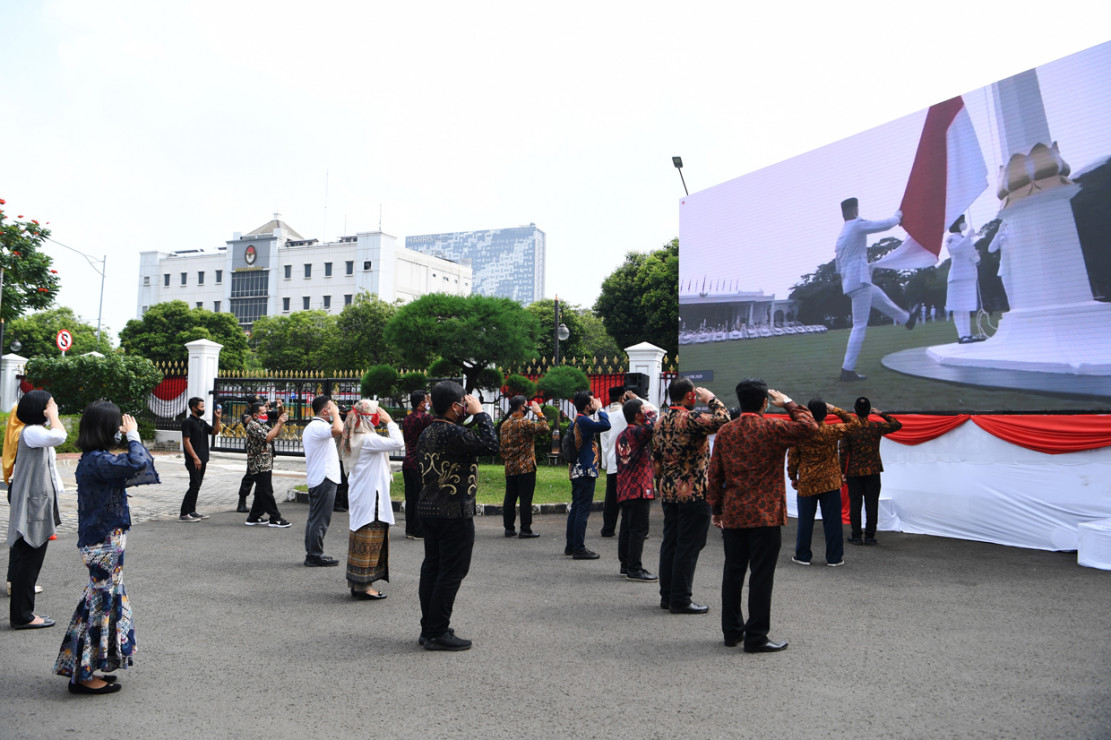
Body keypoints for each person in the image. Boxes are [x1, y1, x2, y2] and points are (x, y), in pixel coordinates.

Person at [54, 401, 159, 695]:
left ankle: (86, 668)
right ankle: (83, 675)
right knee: (98, 606)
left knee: (99, 603)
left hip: (101, 540)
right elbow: (139, 462)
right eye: (116, 425)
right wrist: (134, 435)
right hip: (102, 542)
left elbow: (136, 466)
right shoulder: (98, 461)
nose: (119, 430)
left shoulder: (95, 458)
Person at [707, 379, 817, 653]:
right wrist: (789, 403)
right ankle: (756, 635)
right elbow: (809, 427)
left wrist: (717, 509)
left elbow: (715, 474)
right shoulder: (772, 427)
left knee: (733, 573)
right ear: (764, 403)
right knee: (761, 575)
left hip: (734, 512)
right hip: (765, 514)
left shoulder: (726, 432)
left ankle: (732, 631)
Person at [416, 382, 498, 651]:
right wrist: (481, 413)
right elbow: (490, 444)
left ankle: (430, 627)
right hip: (454, 511)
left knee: (433, 568)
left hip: (429, 508)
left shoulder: (429, 430)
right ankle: (437, 631)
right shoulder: (452, 432)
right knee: (451, 572)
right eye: (464, 403)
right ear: (454, 406)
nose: (467, 406)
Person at [651, 378, 729, 614]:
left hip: (669, 489)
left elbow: (656, 462)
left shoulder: (660, 421)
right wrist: (711, 399)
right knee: (689, 545)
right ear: (690, 396)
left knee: (671, 542)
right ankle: (681, 598)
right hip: (694, 491)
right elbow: (724, 420)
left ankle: (667, 595)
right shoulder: (692, 420)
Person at [835, 197, 919, 381]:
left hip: (853, 282)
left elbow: (838, 266)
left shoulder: (841, 235)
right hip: (860, 282)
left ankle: (907, 319)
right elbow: (884, 225)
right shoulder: (857, 224)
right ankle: (847, 370)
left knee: (881, 298)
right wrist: (898, 216)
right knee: (859, 326)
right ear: (854, 210)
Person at [7, 391, 66, 630]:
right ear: (40, 409)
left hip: (36, 503)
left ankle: (23, 613)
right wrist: (53, 416)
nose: (55, 407)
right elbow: (60, 436)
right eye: (51, 404)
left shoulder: (34, 431)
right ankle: (23, 616)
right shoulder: (32, 431)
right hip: (32, 507)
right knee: (28, 562)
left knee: (28, 561)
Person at [341, 399, 404, 599]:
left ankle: (357, 583)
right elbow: (398, 443)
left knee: (360, 537)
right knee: (369, 539)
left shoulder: (356, 436)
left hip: (364, 495)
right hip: (371, 498)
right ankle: (365, 587)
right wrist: (390, 421)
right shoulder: (367, 439)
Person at [787, 399, 860, 567]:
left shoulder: (802, 432)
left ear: (809, 414)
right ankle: (834, 557)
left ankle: (803, 555)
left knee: (805, 521)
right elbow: (854, 423)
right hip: (830, 482)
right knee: (833, 522)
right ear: (826, 414)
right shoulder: (832, 431)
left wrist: (792, 476)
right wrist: (835, 409)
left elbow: (793, 456)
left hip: (807, 481)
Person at [840, 397, 902, 546]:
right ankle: (869, 536)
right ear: (869, 411)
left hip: (854, 471)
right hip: (873, 470)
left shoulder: (849, 428)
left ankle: (856, 535)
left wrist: (842, 471)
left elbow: (842, 452)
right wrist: (881, 414)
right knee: (871, 504)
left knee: (855, 504)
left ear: (854, 410)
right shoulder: (876, 427)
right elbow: (897, 424)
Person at [615, 396, 657, 582]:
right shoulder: (638, 432)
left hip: (625, 487)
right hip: (638, 487)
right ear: (637, 415)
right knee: (638, 529)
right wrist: (646, 410)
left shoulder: (623, 434)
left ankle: (626, 564)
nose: (645, 413)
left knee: (627, 527)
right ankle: (634, 568)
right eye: (642, 411)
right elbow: (653, 425)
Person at [564, 390, 610, 560]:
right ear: (587, 405)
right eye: (592, 402)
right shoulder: (583, 420)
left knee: (576, 508)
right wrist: (601, 409)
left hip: (578, 470)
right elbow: (605, 425)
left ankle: (571, 545)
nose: (595, 403)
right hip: (585, 470)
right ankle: (579, 548)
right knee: (582, 510)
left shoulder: (577, 420)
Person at [301, 395, 344, 566]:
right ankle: (314, 555)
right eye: (332, 406)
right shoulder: (318, 426)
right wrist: (336, 414)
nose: (335, 408)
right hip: (323, 478)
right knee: (320, 519)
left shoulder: (316, 426)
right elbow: (339, 430)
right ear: (325, 410)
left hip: (321, 478)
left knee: (315, 518)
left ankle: (313, 553)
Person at [499, 395, 549, 538]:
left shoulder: (504, 425)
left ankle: (509, 528)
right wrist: (539, 412)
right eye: (526, 405)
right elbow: (545, 428)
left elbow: (502, 448)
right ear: (522, 406)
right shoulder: (524, 423)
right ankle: (525, 529)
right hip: (526, 467)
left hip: (510, 467)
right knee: (525, 499)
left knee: (510, 498)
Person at [244, 401, 291, 528]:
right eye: (263, 413)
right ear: (254, 415)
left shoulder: (261, 424)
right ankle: (275, 517)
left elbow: (274, 433)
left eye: (266, 412)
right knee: (266, 491)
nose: (266, 414)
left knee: (261, 490)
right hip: (258, 464)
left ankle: (253, 516)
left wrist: (280, 424)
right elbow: (267, 438)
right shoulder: (253, 425)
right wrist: (279, 422)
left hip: (265, 462)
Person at [179, 396, 222, 522]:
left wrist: (218, 419)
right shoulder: (188, 422)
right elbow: (186, 441)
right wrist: (195, 457)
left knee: (197, 485)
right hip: (194, 460)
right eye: (201, 406)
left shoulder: (201, 422)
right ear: (194, 408)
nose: (203, 409)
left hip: (203, 459)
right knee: (194, 485)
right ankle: (184, 513)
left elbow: (214, 431)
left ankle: (192, 510)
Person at [944, 215, 985, 343]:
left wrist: (976, 255)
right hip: (957, 277)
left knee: (966, 307)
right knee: (958, 307)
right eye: (962, 222)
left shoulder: (964, 239)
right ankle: (962, 335)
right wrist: (968, 237)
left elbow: (974, 258)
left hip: (969, 276)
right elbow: (955, 250)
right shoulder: (951, 238)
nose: (964, 224)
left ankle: (967, 334)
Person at [400, 390, 434, 540]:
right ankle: (420, 531)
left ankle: (410, 529)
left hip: (408, 460)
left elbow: (407, 441)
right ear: (422, 403)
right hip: (419, 462)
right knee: (421, 496)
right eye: (428, 400)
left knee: (410, 497)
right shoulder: (426, 418)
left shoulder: (407, 418)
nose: (429, 403)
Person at [599, 385, 628, 538]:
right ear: (623, 397)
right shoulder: (626, 414)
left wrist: (605, 463)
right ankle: (628, 527)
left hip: (611, 460)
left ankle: (608, 528)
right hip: (625, 460)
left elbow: (603, 443)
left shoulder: (605, 415)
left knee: (611, 498)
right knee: (628, 497)